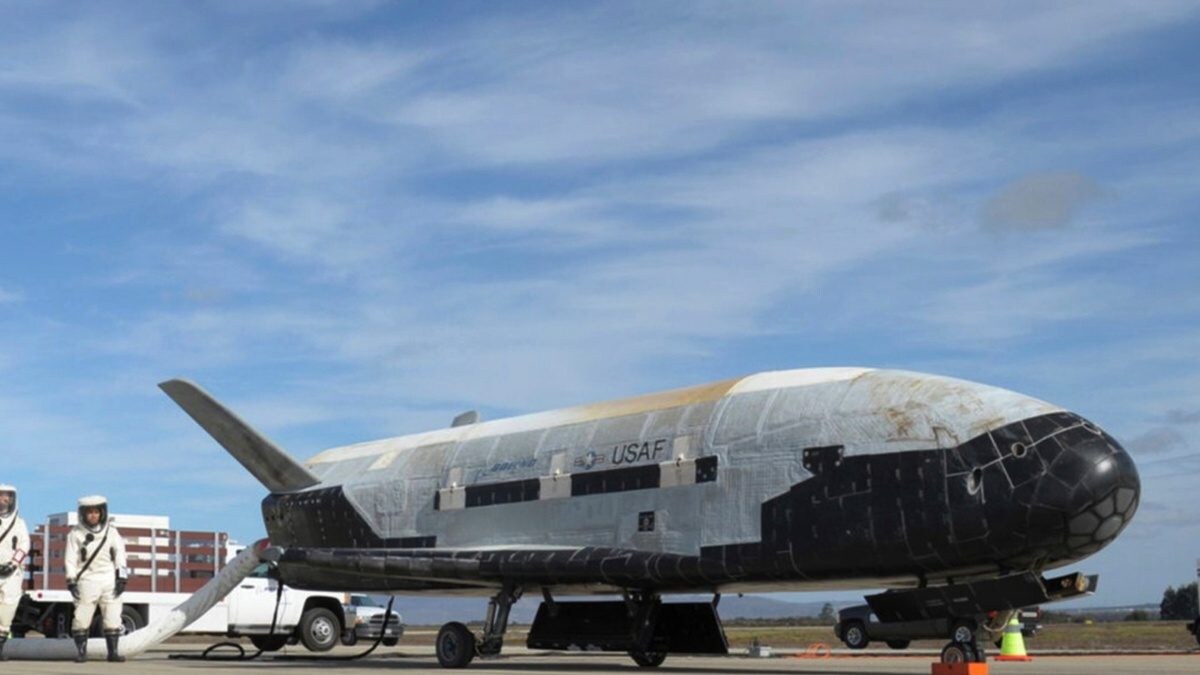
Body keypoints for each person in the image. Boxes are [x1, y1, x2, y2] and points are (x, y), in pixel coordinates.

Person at [66, 495, 128, 663]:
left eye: (96, 512)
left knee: (113, 616)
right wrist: (71, 580)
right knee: (81, 617)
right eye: (89, 512)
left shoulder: (112, 532)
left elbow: (120, 555)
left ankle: (113, 652)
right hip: (87, 579)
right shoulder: (76, 533)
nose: (93, 515)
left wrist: (121, 578)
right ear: (83, 514)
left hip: (109, 579)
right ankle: (81, 652)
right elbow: (70, 559)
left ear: (102, 513)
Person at [0, 484, 29, 662]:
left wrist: (13, 564)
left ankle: (1, 647)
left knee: (7, 609)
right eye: (1, 496)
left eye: (7, 496)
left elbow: (24, 545)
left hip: (11, 573)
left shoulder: (19, 523)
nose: (4, 499)